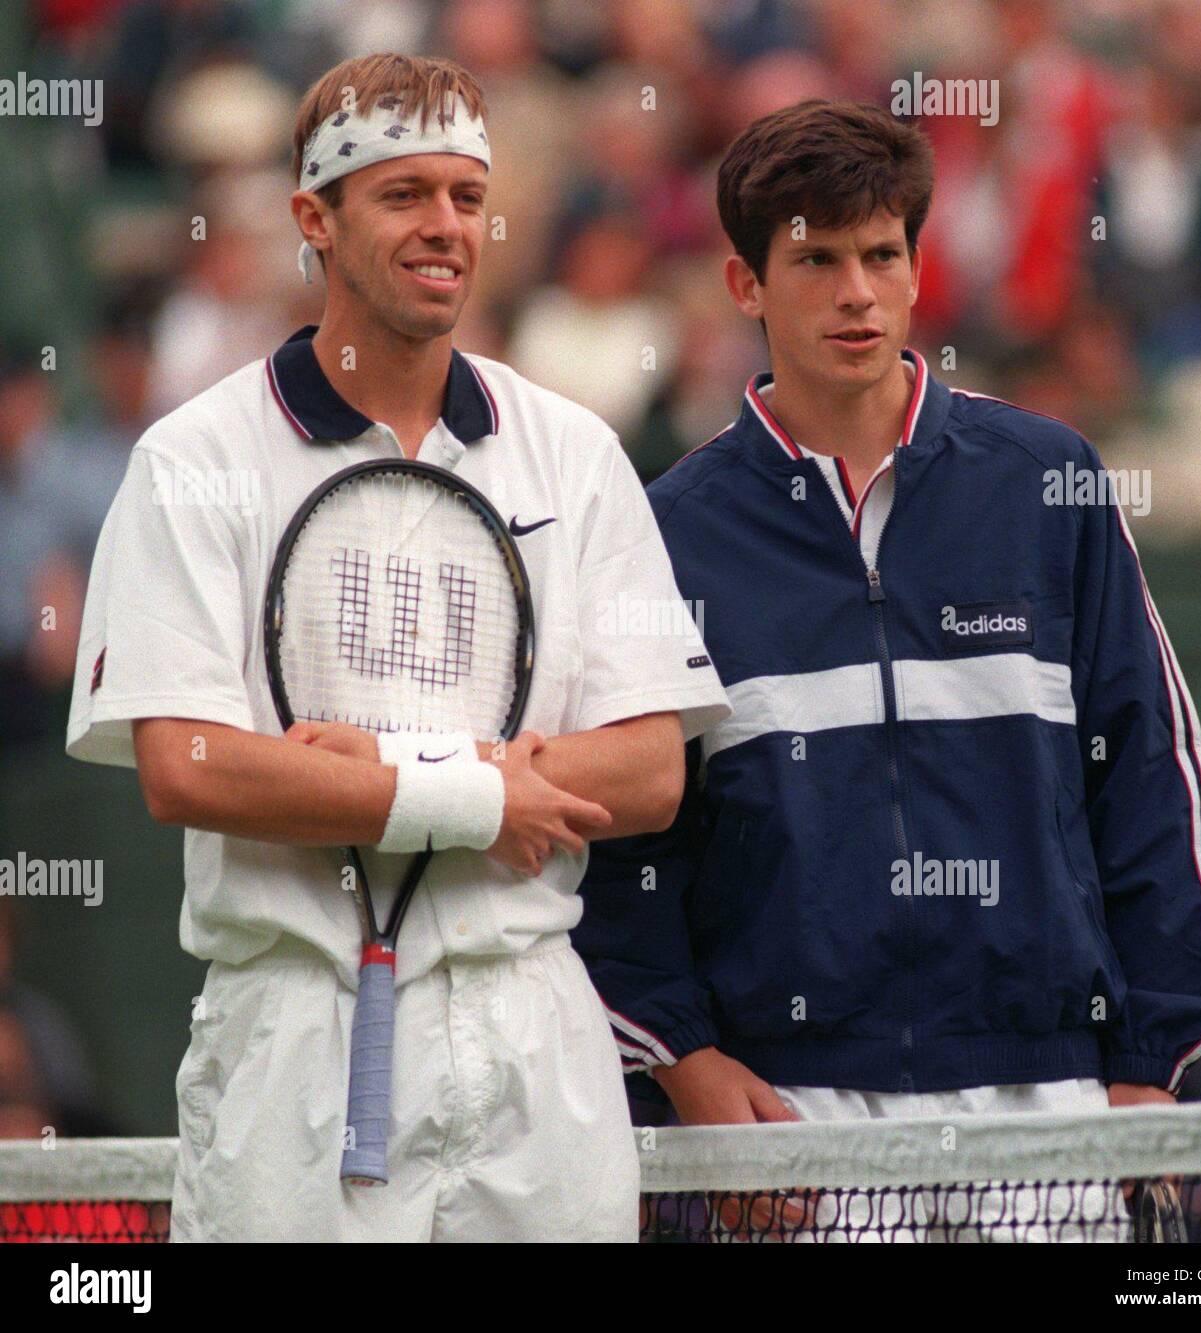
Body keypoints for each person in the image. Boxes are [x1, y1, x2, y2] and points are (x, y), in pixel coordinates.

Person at [66, 53, 729, 1243]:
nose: (444, 227)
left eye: (466, 197)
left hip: (537, 1041)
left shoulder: (575, 454)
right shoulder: (188, 458)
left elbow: (647, 772)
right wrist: (476, 795)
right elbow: (190, 768)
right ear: (312, 220)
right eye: (402, 193)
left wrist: (374, 769)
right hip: (288, 1045)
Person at [574, 101, 1201, 1240]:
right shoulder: (665, 530)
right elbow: (618, 844)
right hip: (790, 1124)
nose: (855, 292)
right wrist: (683, 1057)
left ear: (918, 268)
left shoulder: (1048, 481)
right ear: (745, 286)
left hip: (1054, 1105)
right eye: (814, 260)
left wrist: (1146, 1067)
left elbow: (1149, 779)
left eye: (881, 255)